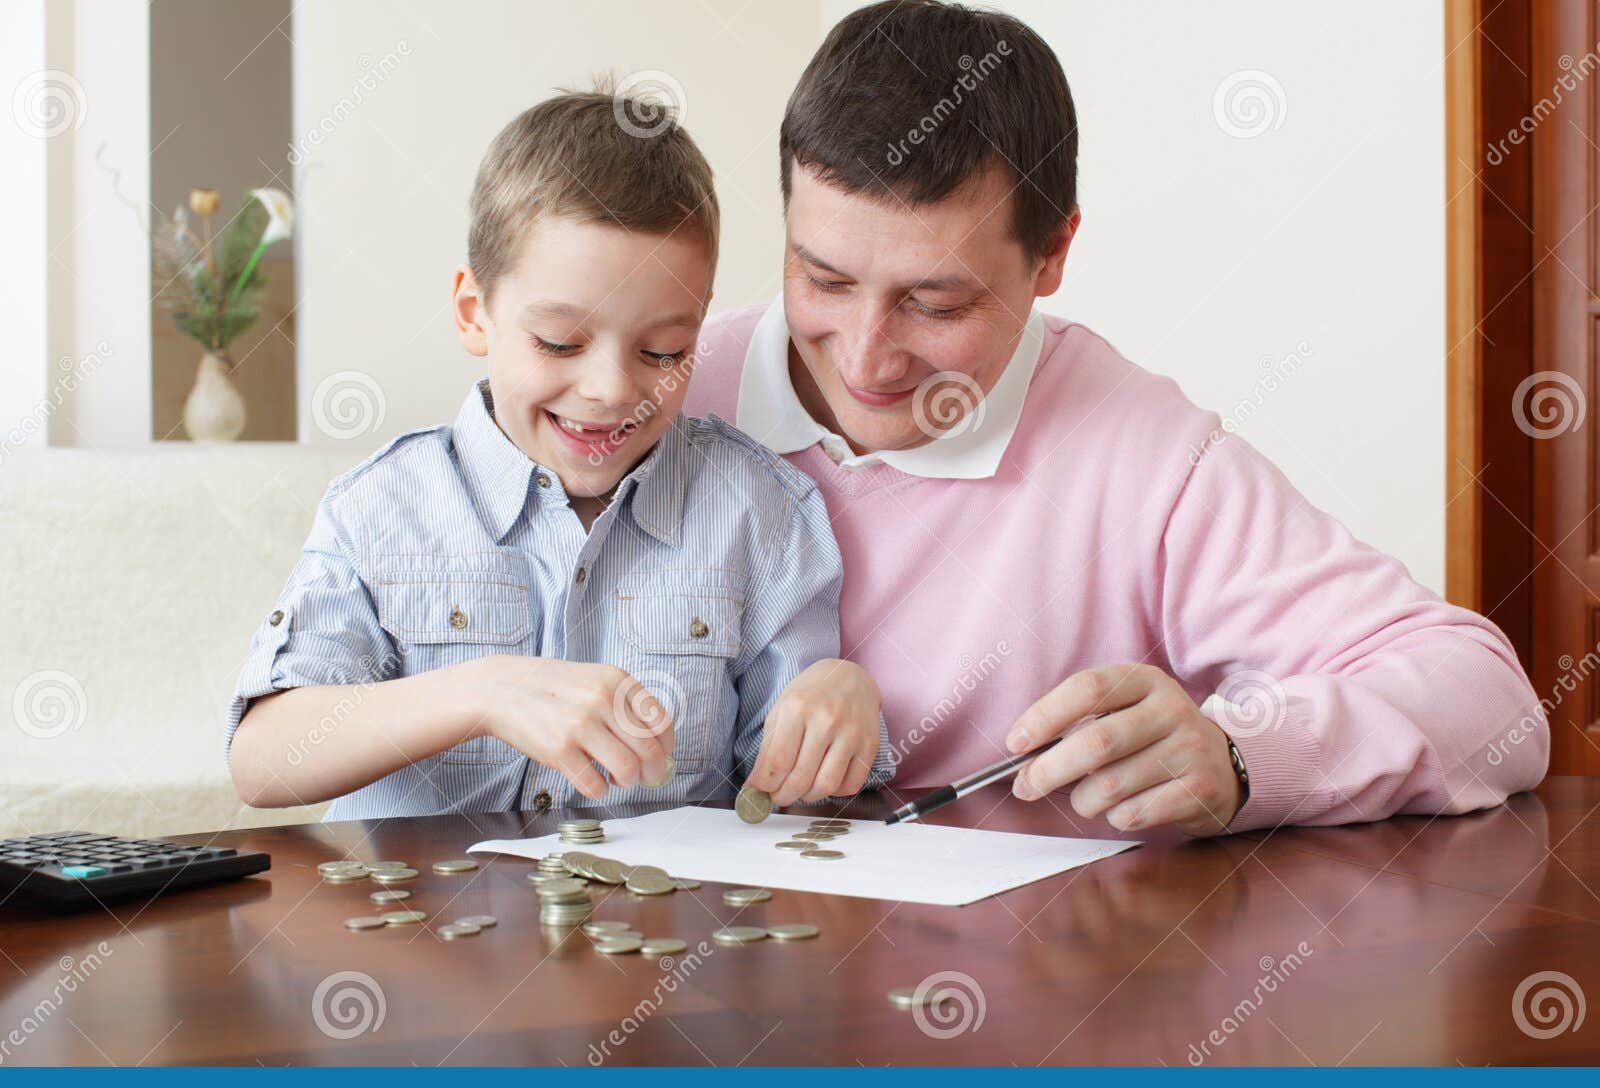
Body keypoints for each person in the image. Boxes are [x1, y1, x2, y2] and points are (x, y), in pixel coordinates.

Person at [687, 0, 1549, 835]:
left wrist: (1242, 754)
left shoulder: (1144, 457)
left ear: (1052, 253)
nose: (867, 358)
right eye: (825, 281)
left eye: (937, 304)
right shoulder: (659, 388)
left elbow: (1490, 701)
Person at [225, 90, 892, 821]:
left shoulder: (758, 510)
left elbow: (786, 800)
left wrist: (842, 706)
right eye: (560, 343)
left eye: (663, 351)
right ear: (473, 313)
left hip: (663, 929)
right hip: (420, 930)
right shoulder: (385, 507)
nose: (610, 391)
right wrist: (480, 693)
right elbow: (262, 761)